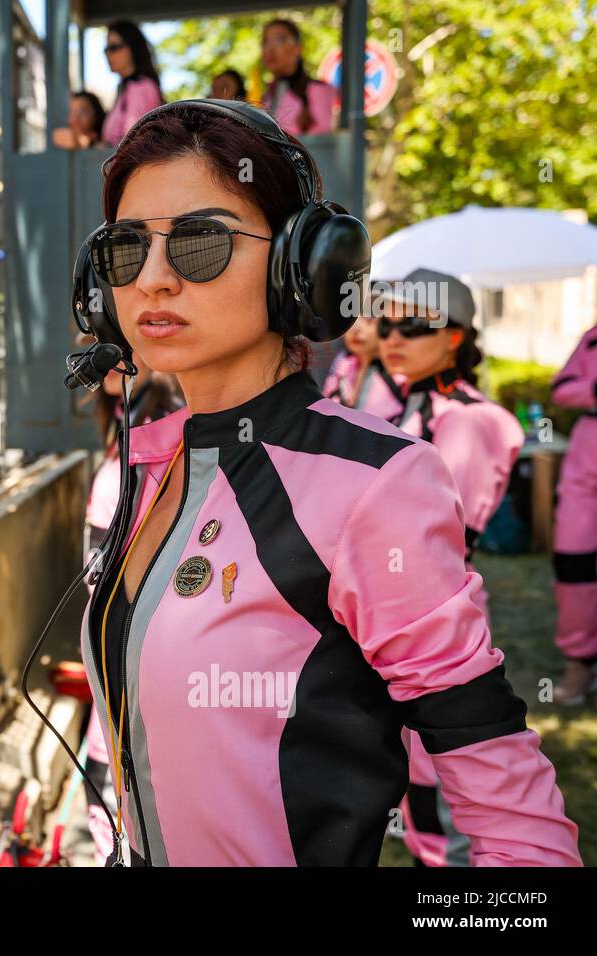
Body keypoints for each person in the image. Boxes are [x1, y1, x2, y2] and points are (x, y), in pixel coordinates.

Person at [77, 99, 580, 866]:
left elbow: (509, 807)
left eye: (201, 242)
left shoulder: (375, 483)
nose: (152, 279)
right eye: (125, 248)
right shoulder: (148, 464)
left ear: (302, 269)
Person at [374, 269, 527, 867]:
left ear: (456, 336)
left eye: (413, 325)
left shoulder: (471, 419)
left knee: (441, 776)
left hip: (435, 613)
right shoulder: (409, 403)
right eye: (386, 325)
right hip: (390, 610)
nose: (393, 338)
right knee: (412, 769)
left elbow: (441, 534)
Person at [80, 359, 181, 866]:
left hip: (143, 678)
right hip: (117, 668)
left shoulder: (166, 429)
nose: (103, 361)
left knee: (120, 802)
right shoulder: (126, 420)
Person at [550, 322, 597, 704]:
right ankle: (578, 664)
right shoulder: (592, 336)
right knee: (573, 562)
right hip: (585, 466)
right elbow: (561, 389)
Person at [321, 296, 403, 419]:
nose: (355, 328)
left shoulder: (401, 373)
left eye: (369, 317)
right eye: (348, 318)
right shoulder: (342, 363)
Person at [261, 18, 334, 136]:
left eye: (279, 40)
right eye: (265, 42)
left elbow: (321, 140)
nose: (270, 49)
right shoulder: (266, 95)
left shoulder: (318, 90)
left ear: (297, 48)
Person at [95, 21, 164, 146]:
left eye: (113, 47)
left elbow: (132, 142)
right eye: (106, 49)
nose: (108, 54)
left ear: (133, 48)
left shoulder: (141, 87)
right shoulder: (126, 88)